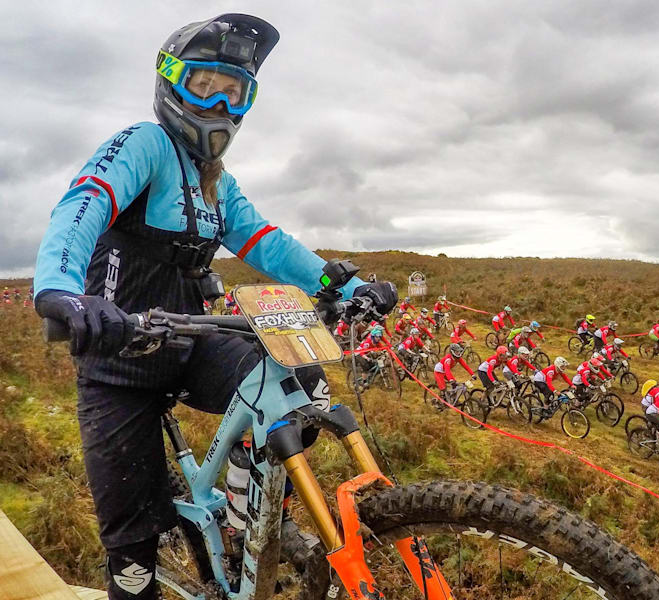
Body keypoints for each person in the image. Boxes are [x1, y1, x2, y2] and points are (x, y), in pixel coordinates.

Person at [29, 14, 401, 600]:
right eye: (207, 85)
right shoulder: (145, 145)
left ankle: (241, 512)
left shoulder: (215, 183)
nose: (222, 104)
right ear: (171, 84)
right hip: (117, 362)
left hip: (187, 342)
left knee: (295, 383)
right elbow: (86, 202)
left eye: (237, 91)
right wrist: (61, 288)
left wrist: (345, 287)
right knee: (132, 553)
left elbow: (268, 244)